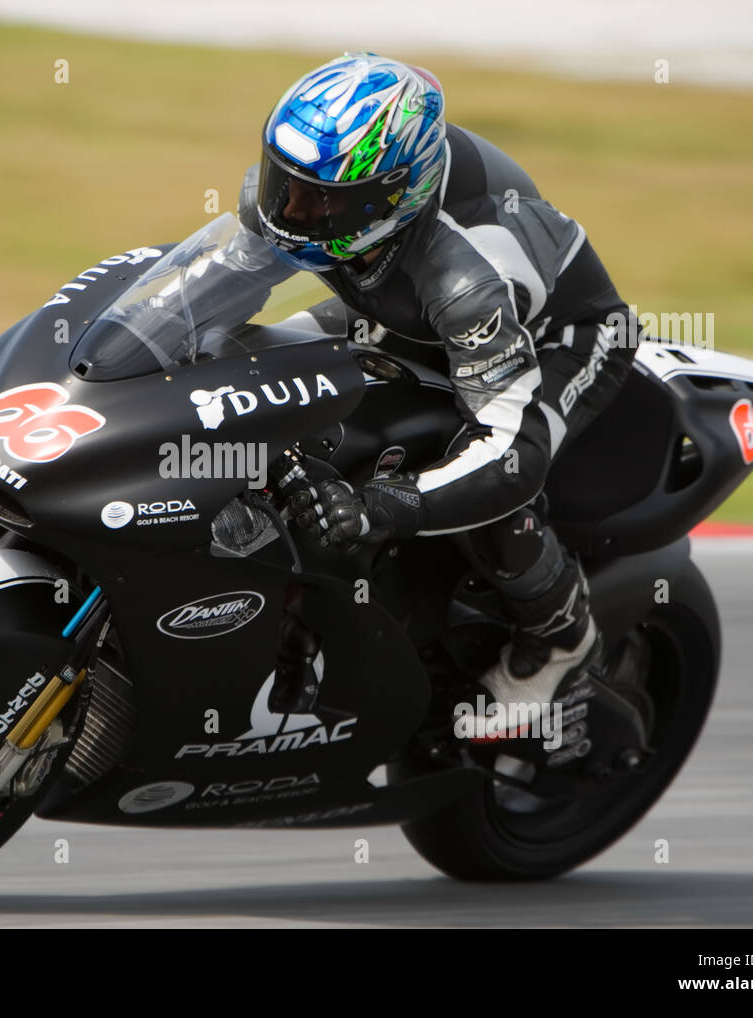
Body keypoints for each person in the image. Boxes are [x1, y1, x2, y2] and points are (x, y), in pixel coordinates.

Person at [244, 53, 637, 729]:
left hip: (560, 339)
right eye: (288, 185)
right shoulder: (297, 204)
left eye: (319, 199)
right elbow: (208, 291)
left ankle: (561, 638)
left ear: (390, 195)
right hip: (407, 316)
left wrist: (380, 509)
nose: (292, 210)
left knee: (473, 461)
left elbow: (513, 452)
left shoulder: (467, 274)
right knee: (267, 383)